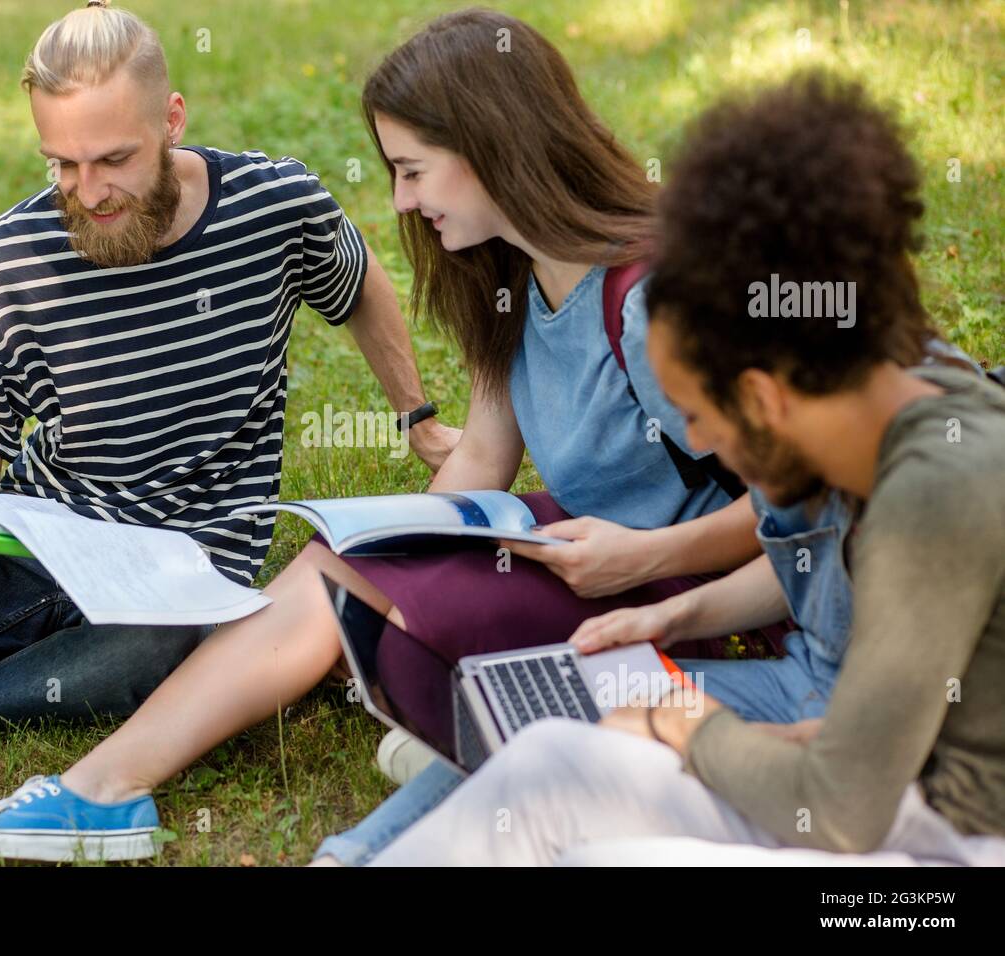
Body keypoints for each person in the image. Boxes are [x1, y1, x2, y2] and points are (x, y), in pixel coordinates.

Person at [0, 9, 818, 865]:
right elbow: (483, 456)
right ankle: (109, 788)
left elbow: (800, 513)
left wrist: (645, 553)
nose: (400, 199)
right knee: (351, 595)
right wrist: (393, 551)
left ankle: (110, 790)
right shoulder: (508, 277)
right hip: (595, 554)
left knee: (358, 619)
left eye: (414, 170)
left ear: (495, 153)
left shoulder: (654, 299)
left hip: (695, 592)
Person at [0, 2, 455, 867]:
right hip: (38, 534)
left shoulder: (273, 208)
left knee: (113, 678)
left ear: (171, 120)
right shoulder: (13, 254)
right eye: (61, 162)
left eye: (113, 160)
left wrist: (418, 418)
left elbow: (359, 287)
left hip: (185, 574)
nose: (88, 191)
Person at [368, 72, 1005, 866]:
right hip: (841, 747)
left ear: (763, 397)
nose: (695, 442)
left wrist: (682, 724)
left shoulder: (941, 486)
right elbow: (823, 570)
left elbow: (841, 811)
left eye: (696, 415)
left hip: (934, 845)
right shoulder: (855, 390)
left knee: (594, 845)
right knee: (547, 748)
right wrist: (673, 623)